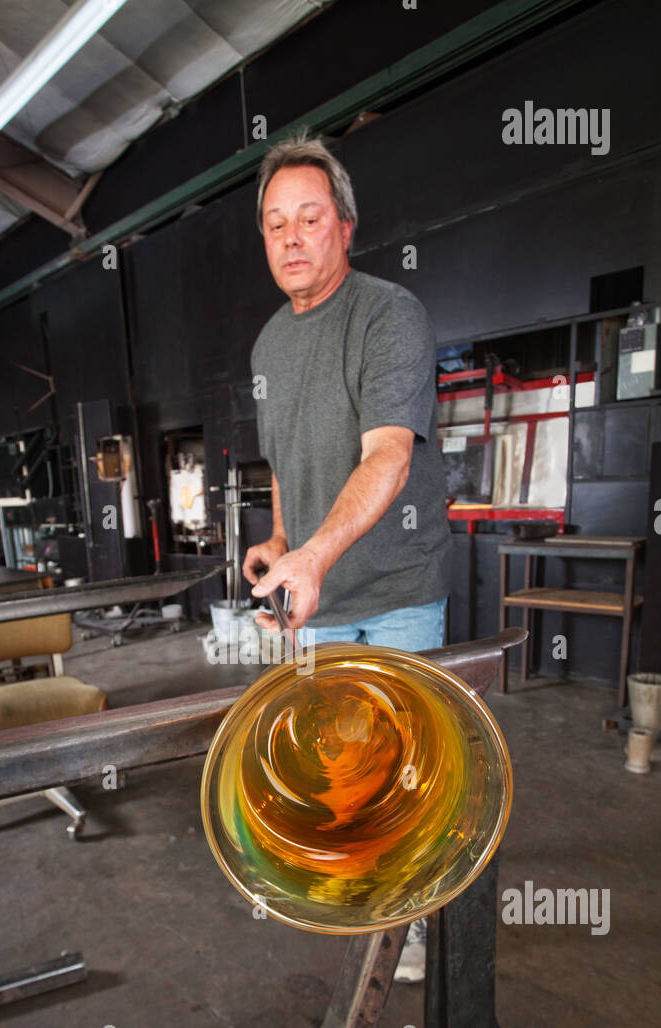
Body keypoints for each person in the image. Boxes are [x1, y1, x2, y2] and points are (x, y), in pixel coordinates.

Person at [243, 130, 453, 982]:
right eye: (274, 225)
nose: (291, 239)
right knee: (339, 772)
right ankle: (365, 902)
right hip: (319, 595)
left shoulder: (387, 315)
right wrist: (284, 547)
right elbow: (285, 466)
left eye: (310, 218)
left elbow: (389, 457)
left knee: (405, 773)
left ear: (346, 224)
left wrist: (318, 557)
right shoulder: (265, 346)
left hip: (396, 588)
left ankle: (418, 929)